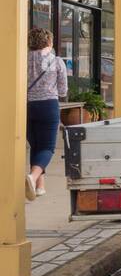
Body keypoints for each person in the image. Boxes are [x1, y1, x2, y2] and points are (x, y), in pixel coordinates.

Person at [26, 27, 67, 201]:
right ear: (48, 42)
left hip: (26, 106)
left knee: (35, 145)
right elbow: (63, 89)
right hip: (48, 106)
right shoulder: (56, 61)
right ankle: (33, 177)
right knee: (47, 147)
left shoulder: (22, 59)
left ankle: (39, 186)